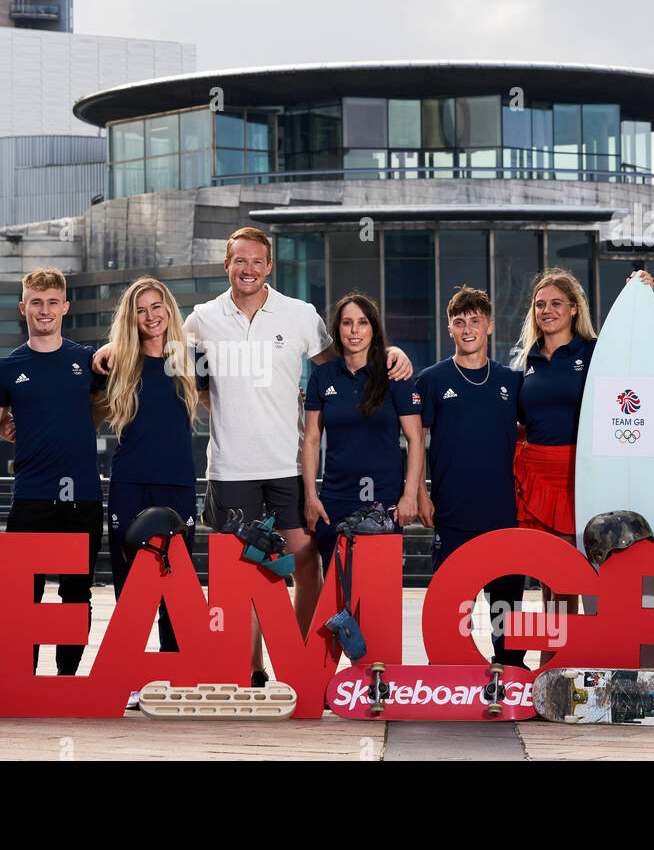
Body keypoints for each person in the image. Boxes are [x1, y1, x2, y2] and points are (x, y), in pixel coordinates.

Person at [94, 227, 411, 686]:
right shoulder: (202, 319)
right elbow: (156, 339)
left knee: (304, 563)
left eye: (257, 261)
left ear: (269, 267)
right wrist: (112, 346)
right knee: (243, 573)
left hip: (287, 464)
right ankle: (252, 668)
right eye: (239, 261)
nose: (248, 269)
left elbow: (345, 364)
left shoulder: (299, 315)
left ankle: (298, 663)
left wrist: (391, 352)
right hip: (230, 469)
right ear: (227, 265)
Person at [511, 267, 654, 664]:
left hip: (581, 474)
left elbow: (636, 356)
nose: (547, 310)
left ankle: (581, 659)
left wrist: (638, 296)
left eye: (556, 303)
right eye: (540, 304)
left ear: (574, 309)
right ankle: (555, 663)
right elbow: (523, 419)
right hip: (535, 474)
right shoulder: (526, 359)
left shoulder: (595, 351)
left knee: (580, 573)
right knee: (549, 576)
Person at [0, 268, 106, 676]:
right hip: (31, 498)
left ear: (65, 307)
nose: (45, 309)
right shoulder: (5, 367)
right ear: (23, 308)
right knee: (23, 594)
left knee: (77, 593)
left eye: (53, 301)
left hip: (83, 497)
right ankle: (23, 681)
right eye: (36, 302)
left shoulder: (87, 360)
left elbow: (112, 398)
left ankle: (66, 680)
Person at [415, 286, 525, 668]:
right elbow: (415, 440)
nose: (467, 329)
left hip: (503, 516)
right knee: (452, 614)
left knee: (506, 614)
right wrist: (420, 494)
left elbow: (535, 431)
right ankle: (452, 677)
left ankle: (510, 675)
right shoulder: (431, 380)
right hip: (451, 515)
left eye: (475, 321)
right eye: (459, 322)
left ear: (489, 326)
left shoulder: (511, 381)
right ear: (449, 329)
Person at [104, 277, 204, 660]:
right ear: (131, 318)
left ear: (169, 309)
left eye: (156, 306)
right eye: (140, 310)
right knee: (129, 583)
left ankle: (171, 668)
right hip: (129, 483)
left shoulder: (193, 361)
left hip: (177, 483)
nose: (150, 316)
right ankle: (126, 669)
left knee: (175, 583)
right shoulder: (116, 362)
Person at [301, 293, 424, 570]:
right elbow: (311, 440)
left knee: (377, 586)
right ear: (337, 329)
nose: (354, 330)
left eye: (362, 322)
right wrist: (311, 497)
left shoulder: (394, 374)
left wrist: (409, 496)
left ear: (373, 328)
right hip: (335, 500)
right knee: (336, 587)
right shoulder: (322, 376)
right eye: (347, 323)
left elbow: (415, 439)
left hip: (385, 501)